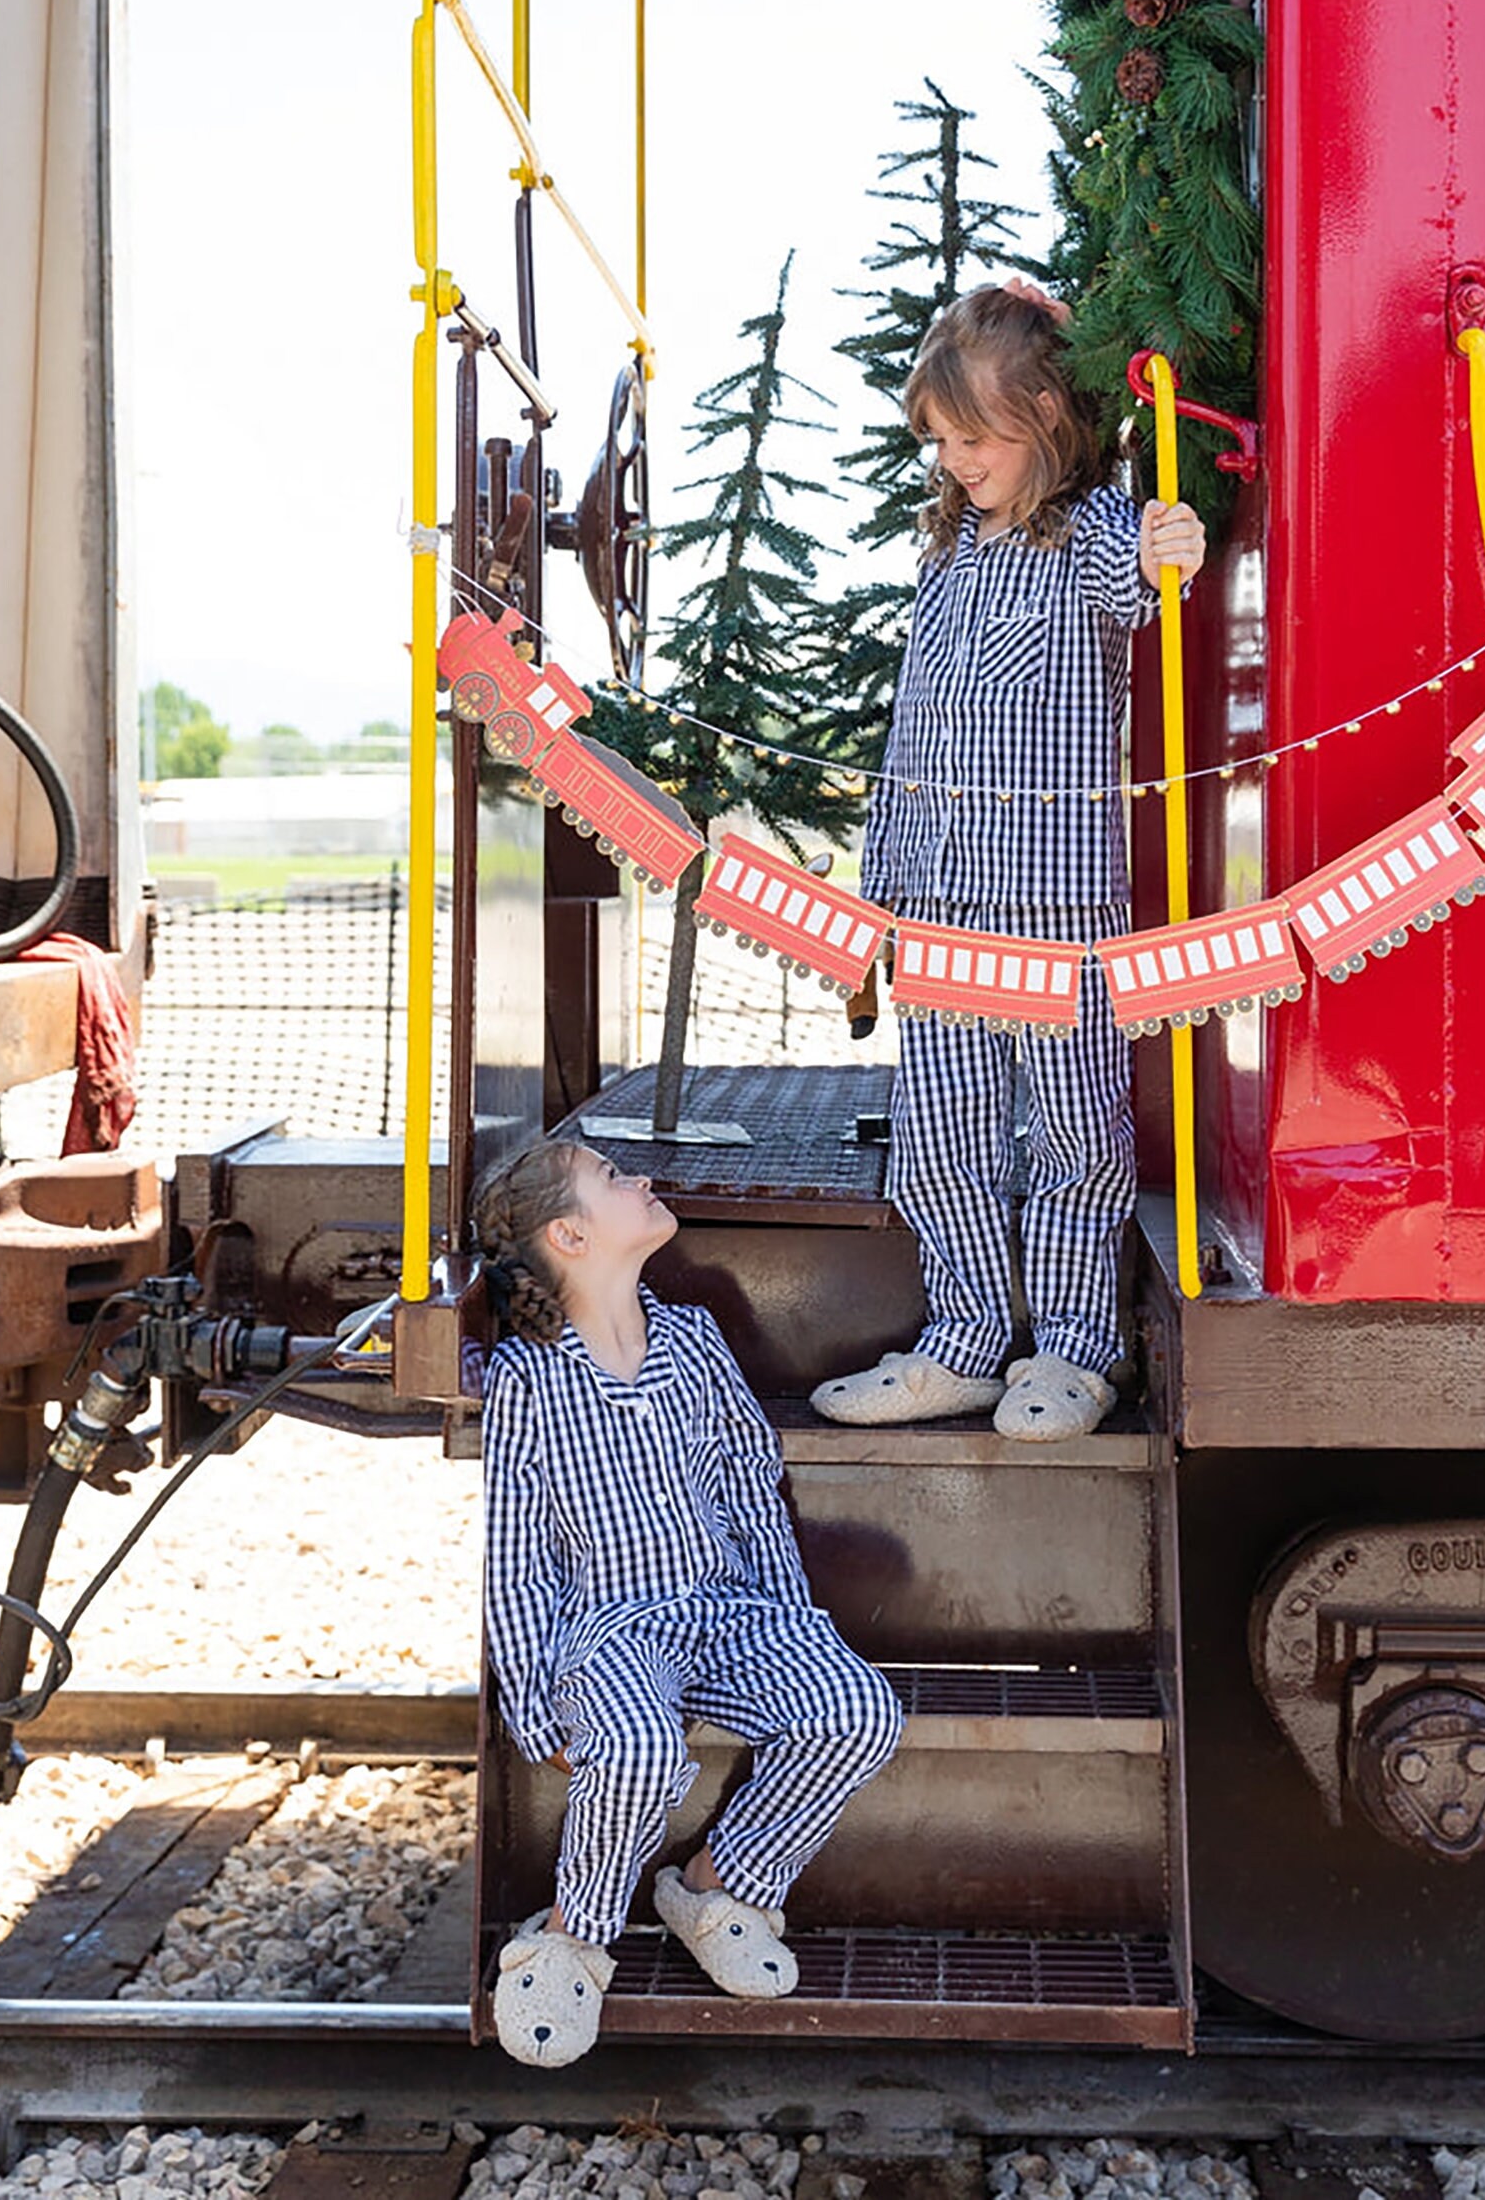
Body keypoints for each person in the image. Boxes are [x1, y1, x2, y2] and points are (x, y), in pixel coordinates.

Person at [810, 281, 1206, 1443]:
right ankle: (967, 1339)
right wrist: (881, 892)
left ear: (1045, 418)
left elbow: (1140, 581)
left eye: (972, 436)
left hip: (1054, 906)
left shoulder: (1089, 535)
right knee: (940, 1134)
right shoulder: (945, 552)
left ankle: (1074, 1350)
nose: (954, 459)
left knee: (1076, 1134)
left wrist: (1169, 544)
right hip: (935, 902)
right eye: (939, 439)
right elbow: (909, 732)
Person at [474, 1137, 904, 2068]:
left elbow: (749, 1487)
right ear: (570, 1235)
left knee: (858, 1712)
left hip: (725, 1609)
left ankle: (716, 1884)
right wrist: (533, 1702)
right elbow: (517, 1555)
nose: (639, 1180)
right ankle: (572, 1937)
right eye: (610, 1178)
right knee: (638, 1749)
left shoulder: (694, 1341)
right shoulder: (528, 1379)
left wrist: (787, 1615)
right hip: (613, 1627)